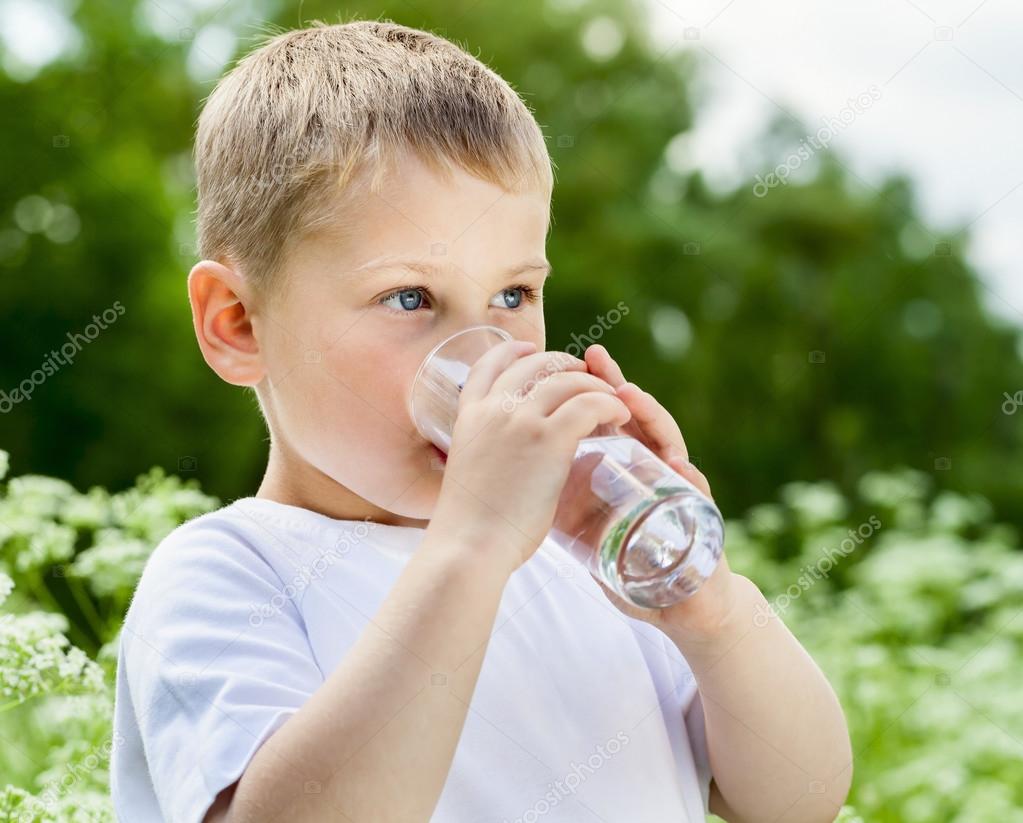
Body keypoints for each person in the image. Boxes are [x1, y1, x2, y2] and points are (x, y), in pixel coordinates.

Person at [110, 19, 852, 822]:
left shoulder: (577, 562)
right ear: (240, 323)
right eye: (409, 298)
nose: (485, 350)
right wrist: (473, 545)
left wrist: (705, 607)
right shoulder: (228, 573)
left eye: (513, 295)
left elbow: (796, 799)